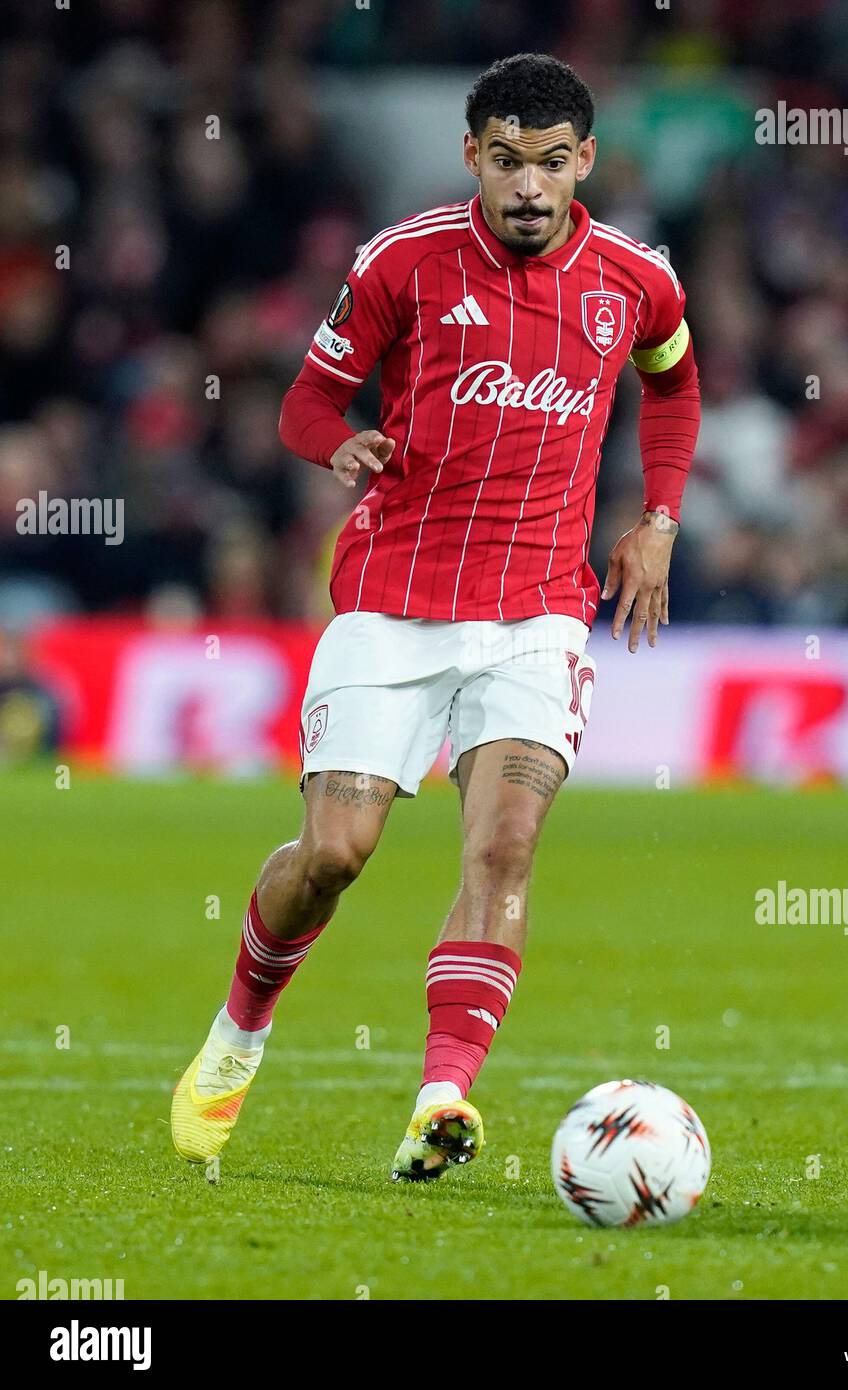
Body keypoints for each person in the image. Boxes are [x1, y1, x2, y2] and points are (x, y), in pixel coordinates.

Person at [171, 52, 701, 1181]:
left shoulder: (636, 281)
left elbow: (674, 382)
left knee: (504, 845)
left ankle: (442, 1095)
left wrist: (659, 517)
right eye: (507, 161)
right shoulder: (402, 263)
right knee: (333, 854)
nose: (528, 186)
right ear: (473, 155)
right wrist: (338, 441)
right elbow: (308, 400)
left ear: (584, 163)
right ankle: (237, 1032)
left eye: (551, 165)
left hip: (539, 615)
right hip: (396, 601)